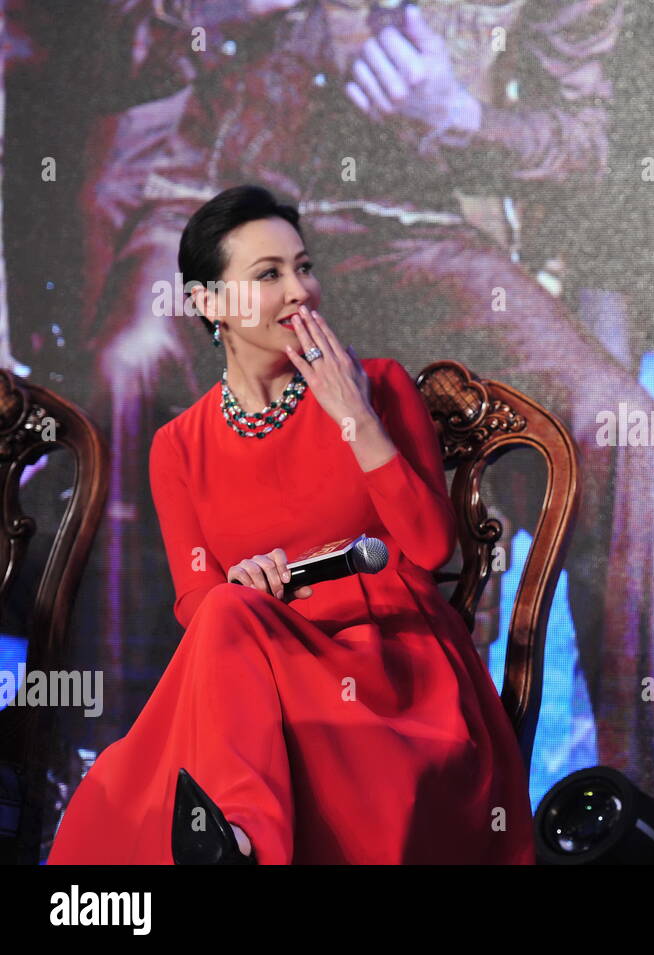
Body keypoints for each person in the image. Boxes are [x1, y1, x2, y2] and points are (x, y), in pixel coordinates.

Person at [47, 185, 533, 864]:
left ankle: (238, 842)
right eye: (268, 274)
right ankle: (242, 835)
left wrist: (355, 416)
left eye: (304, 267)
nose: (300, 289)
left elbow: (429, 548)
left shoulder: (381, 386)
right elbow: (195, 599)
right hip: (259, 670)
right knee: (217, 621)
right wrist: (239, 584)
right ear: (207, 302)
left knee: (215, 652)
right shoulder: (178, 446)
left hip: (391, 670)